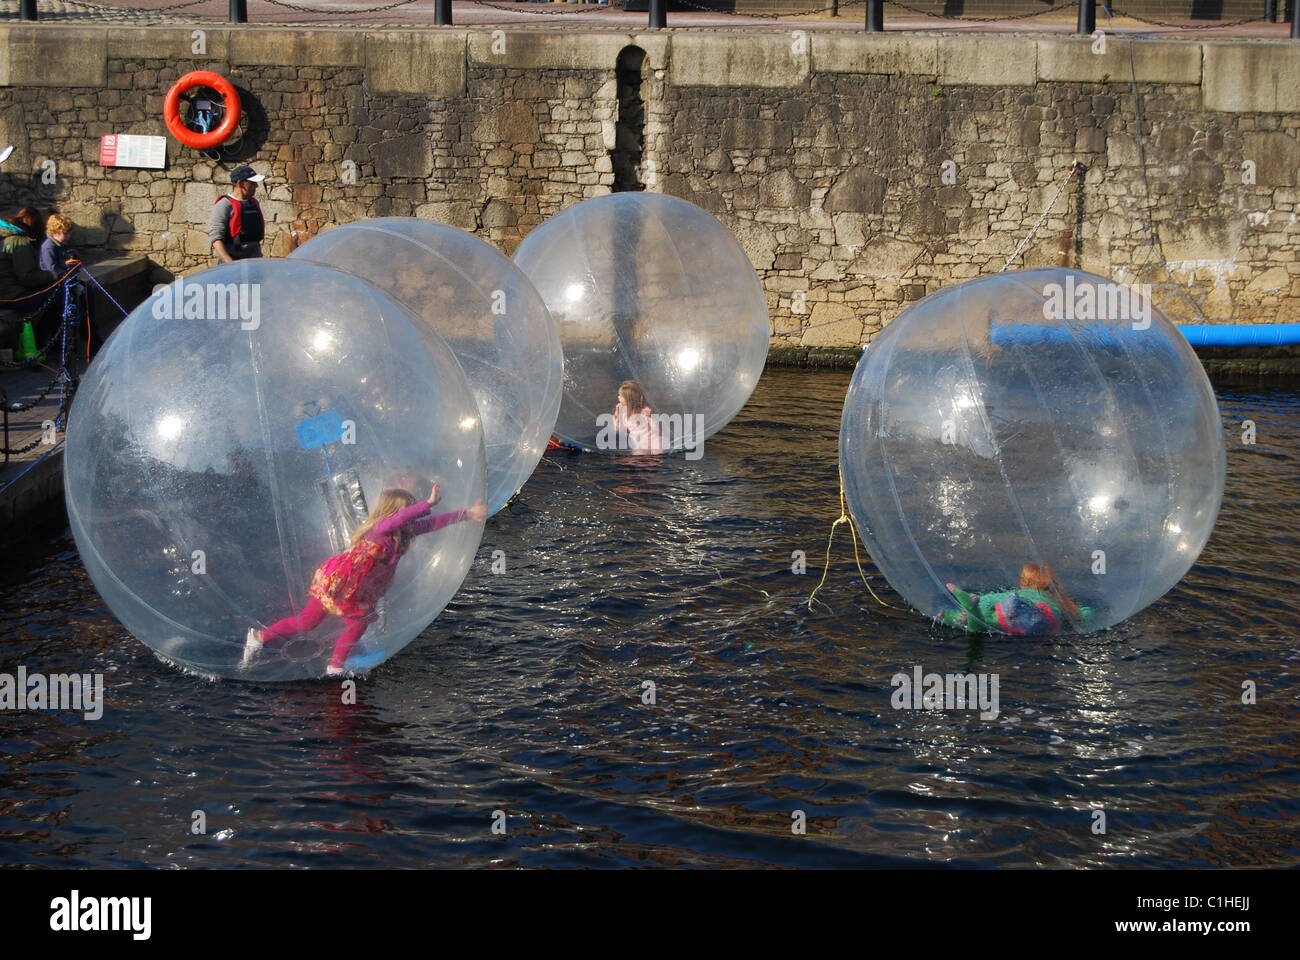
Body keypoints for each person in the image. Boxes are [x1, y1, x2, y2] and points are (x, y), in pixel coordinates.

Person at [242, 484, 488, 676]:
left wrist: (467, 514)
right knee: (308, 622)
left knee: (356, 623)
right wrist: (427, 503)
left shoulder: (403, 533)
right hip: (340, 582)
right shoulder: (381, 529)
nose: (411, 520)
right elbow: (400, 519)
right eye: (407, 512)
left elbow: (434, 523)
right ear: (393, 511)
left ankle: (333, 666)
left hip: (358, 590)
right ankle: (261, 639)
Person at [937, 562, 1091, 636]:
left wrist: (981, 601)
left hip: (1015, 611)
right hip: (1045, 620)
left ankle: (966, 613)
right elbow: (1085, 614)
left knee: (990, 618)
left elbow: (990, 599)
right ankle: (972, 616)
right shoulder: (1060, 601)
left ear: (1024, 581)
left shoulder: (1019, 593)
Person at [210, 165, 266, 262]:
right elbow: (216, 239)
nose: (256, 186)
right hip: (233, 264)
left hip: (254, 263)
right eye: (252, 183)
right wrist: (229, 263)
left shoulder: (253, 203)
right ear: (240, 184)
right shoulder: (224, 205)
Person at [613, 379, 663, 455]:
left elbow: (656, 428)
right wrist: (617, 414)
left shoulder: (644, 411)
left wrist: (650, 417)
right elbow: (618, 429)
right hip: (640, 444)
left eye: (621, 396)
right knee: (637, 455)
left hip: (654, 440)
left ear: (627, 399)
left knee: (658, 455)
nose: (618, 397)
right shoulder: (623, 414)